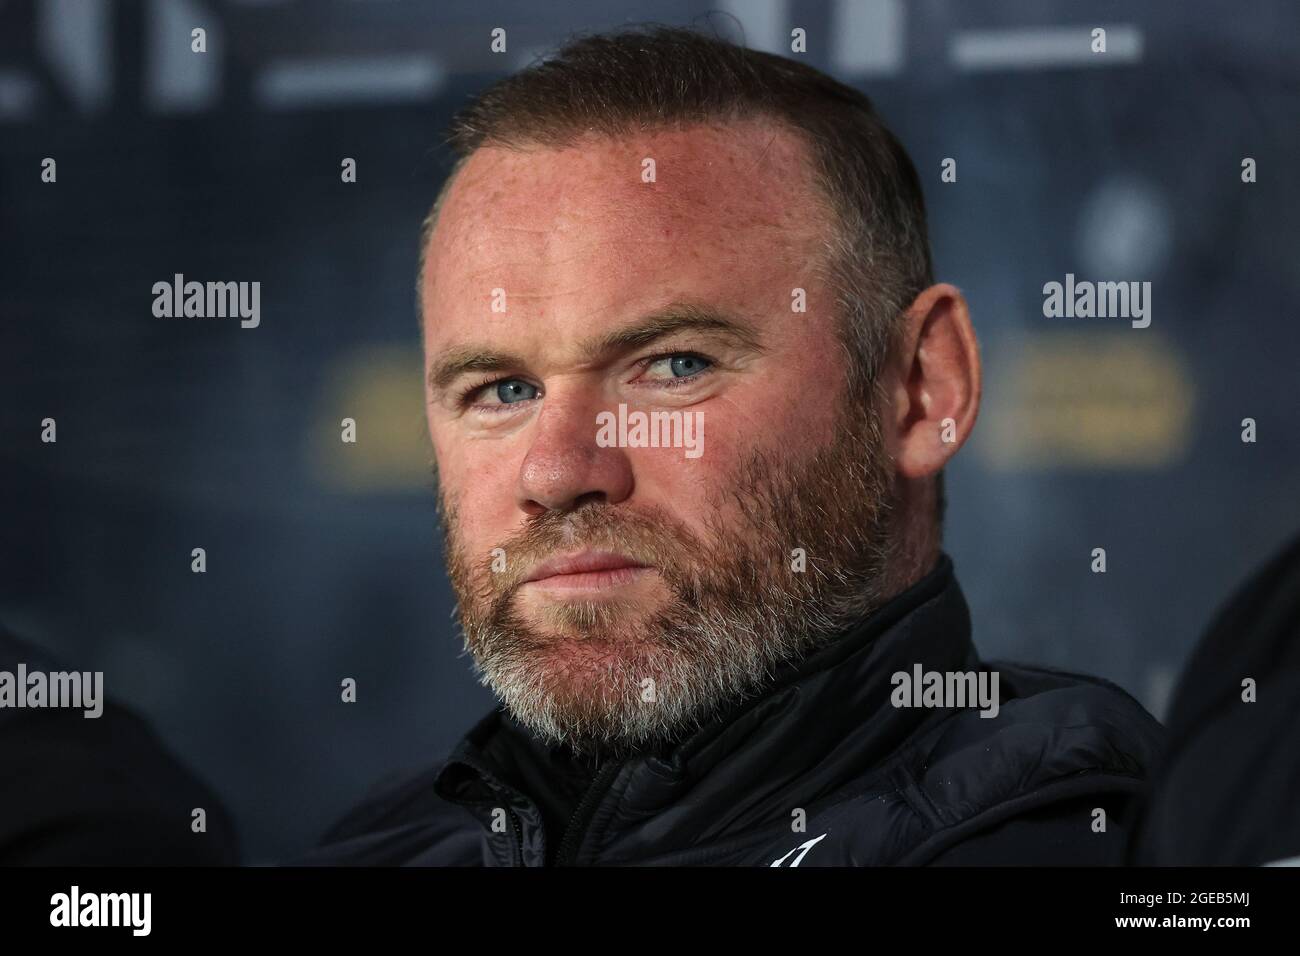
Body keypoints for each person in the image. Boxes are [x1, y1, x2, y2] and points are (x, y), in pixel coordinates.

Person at [305, 25, 1162, 866]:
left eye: (673, 366)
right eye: (504, 391)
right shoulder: (375, 845)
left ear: (919, 390)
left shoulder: (1124, 847)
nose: (558, 470)